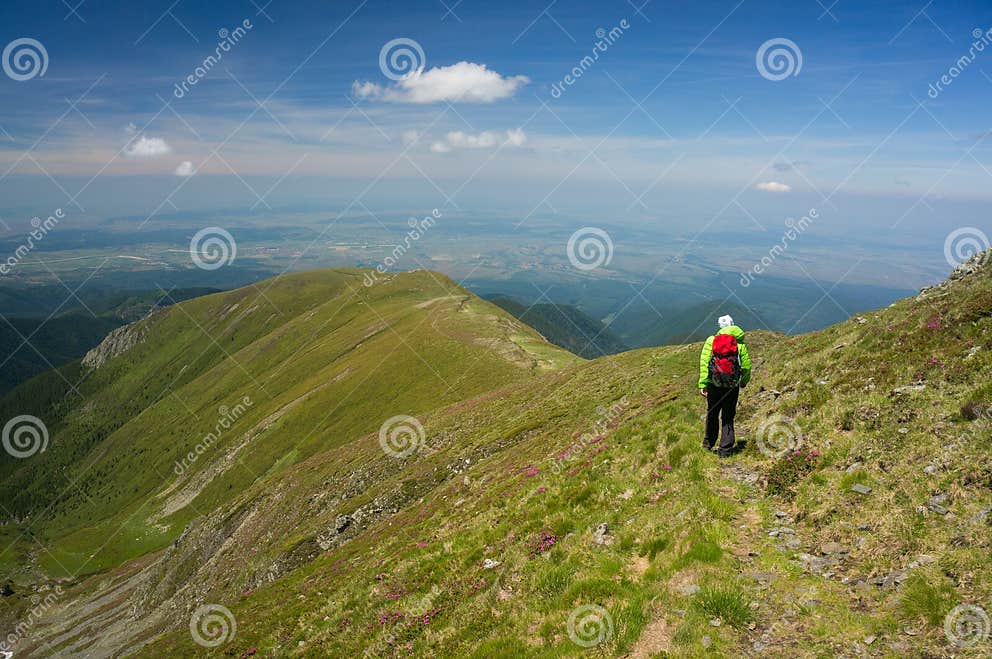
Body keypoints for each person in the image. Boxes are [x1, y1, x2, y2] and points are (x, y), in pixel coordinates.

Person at [698, 315, 751, 457]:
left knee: (712, 413)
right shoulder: (740, 344)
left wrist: (703, 383)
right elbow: (745, 366)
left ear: (720, 327)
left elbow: (704, 364)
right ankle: (725, 450)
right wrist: (744, 381)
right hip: (732, 387)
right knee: (728, 417)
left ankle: (708, 444)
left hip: (714, 385)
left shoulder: (711, 341)